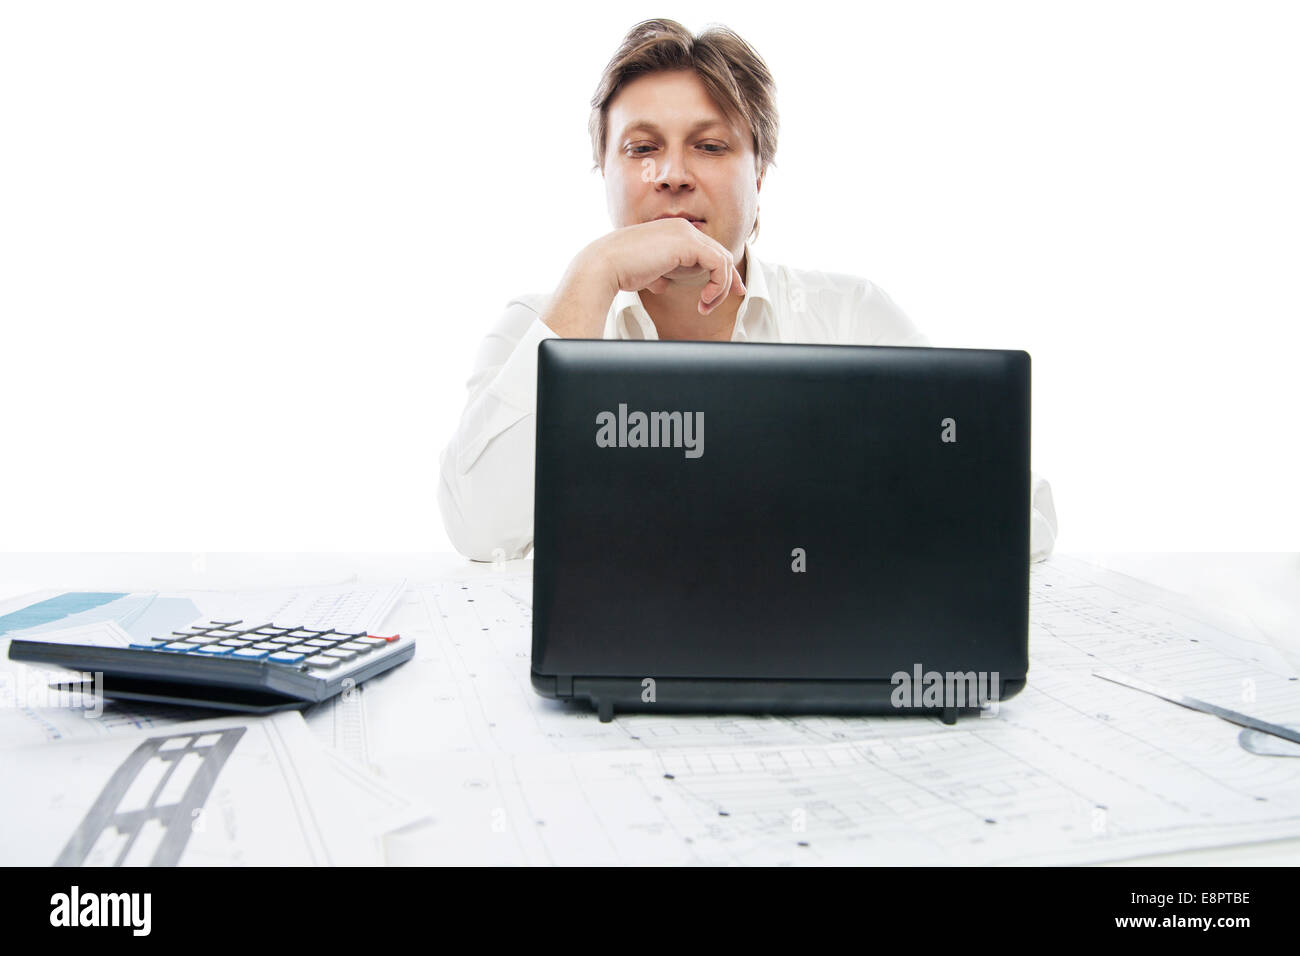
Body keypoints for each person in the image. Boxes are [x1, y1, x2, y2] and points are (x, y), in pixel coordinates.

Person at [438, 18, 1059, 563]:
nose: (673, 175)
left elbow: (1023, 517)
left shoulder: (851, 319)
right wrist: (593, 273)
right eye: (641, 148)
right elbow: (478, 531)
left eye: (709, 147)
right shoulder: (535, 322)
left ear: (759, 175)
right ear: (603, 171)